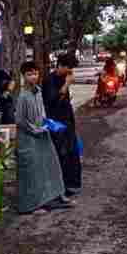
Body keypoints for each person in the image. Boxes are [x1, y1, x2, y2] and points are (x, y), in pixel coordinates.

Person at [15, 61, 74, 215]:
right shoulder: (23, 96)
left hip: (43, 135)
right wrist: (37, 129)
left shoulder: (38, 91)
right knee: (33, 171)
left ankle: (55, 196)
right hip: (29, 138)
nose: (33, 77)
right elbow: (21, 121)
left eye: (35, 73)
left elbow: (42, 113)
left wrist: (49, 123)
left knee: (51, 165)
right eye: (29, 74)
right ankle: (31, 206)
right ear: (23, 76)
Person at [42, 53, 82, 195]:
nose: (70, 72)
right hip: (56, 123)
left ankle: (71, 184)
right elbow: (53, 100)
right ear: (60, 66)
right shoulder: (50, 80)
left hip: (67, 121)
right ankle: (60, 187)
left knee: (72, 152)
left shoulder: (63, 77)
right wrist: (66, 84)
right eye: (68, 68)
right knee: (61, 154)